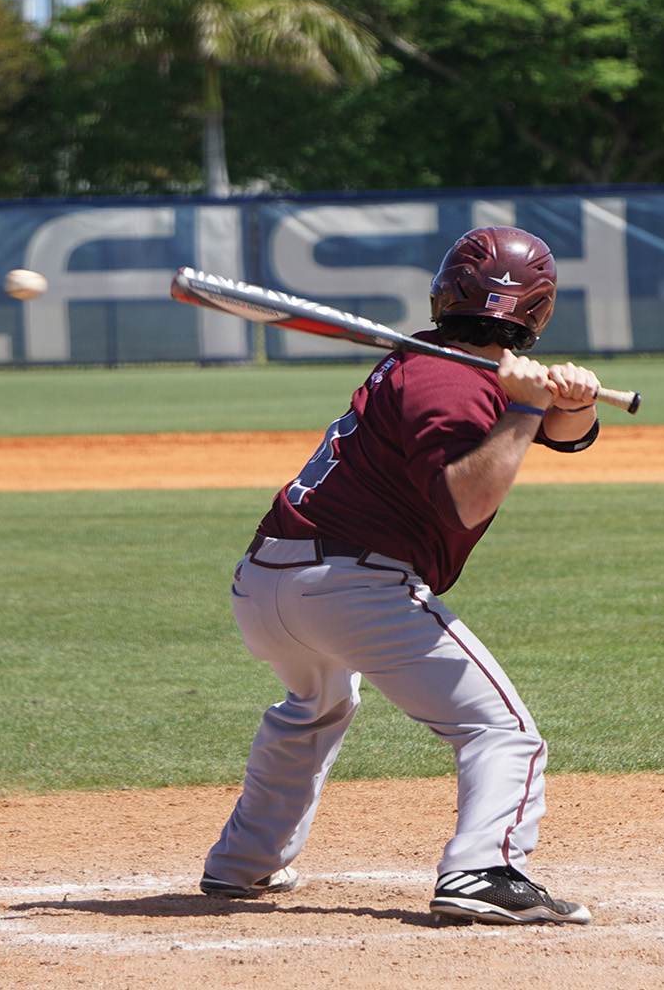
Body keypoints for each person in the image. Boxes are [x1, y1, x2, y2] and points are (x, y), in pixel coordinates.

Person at [197, 226, 604, 925]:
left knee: (315, 706)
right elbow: (465, 500)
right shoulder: (453, 381)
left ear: (446, 294)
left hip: (267, 581)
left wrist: (572, 400)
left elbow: (567, 435)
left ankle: (244, 861)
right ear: (540, 309)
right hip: (350, 587)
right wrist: (528, 407)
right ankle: (483, 871)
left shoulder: (440, 363)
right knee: (502, 732)